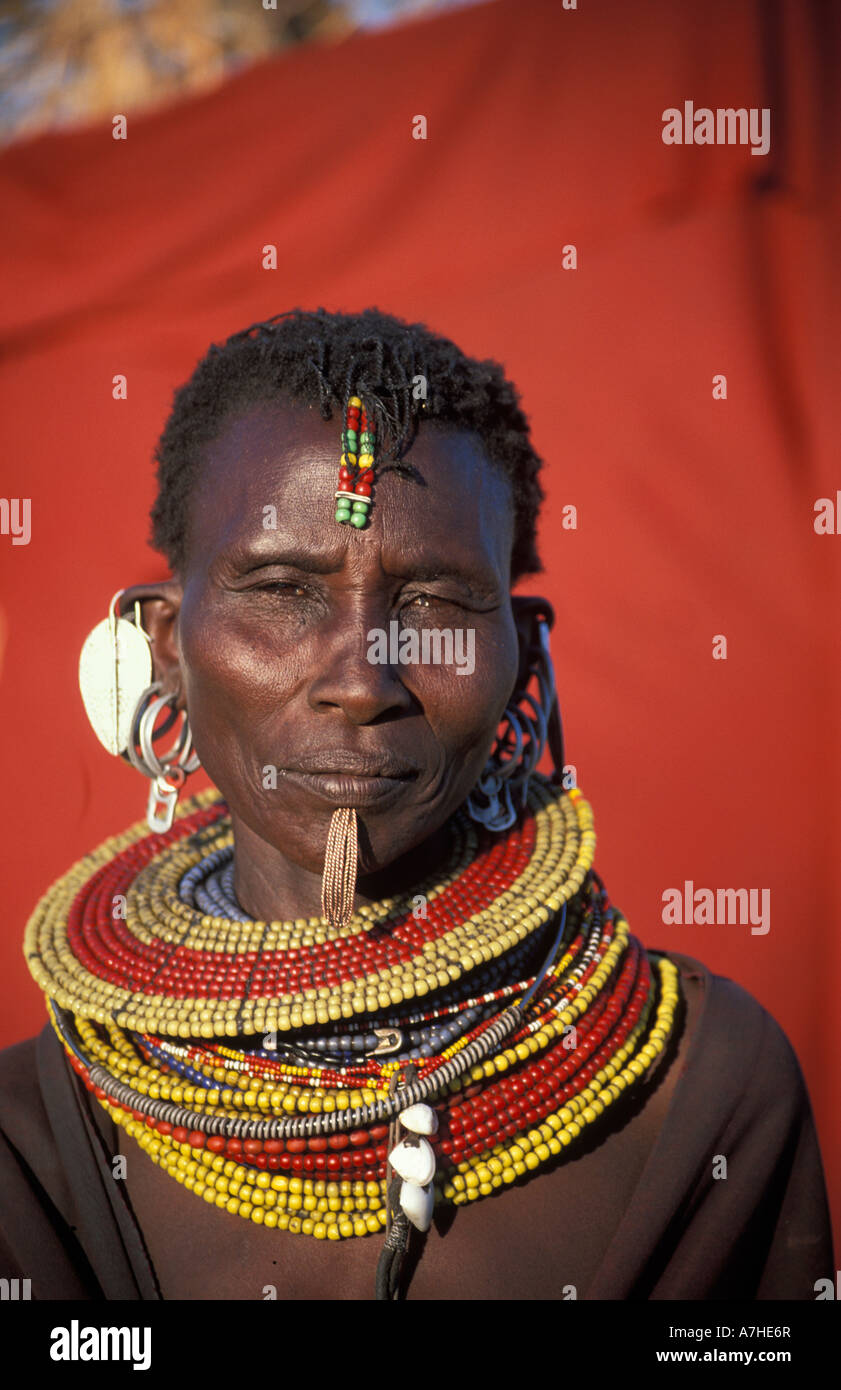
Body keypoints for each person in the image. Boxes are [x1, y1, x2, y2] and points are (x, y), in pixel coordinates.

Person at [0, 308, 833, 1300]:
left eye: (434, 600)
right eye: (279, 587)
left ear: (525, 654)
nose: (362, 680)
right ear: (163, 646)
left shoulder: (698, 1084)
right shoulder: (40, 1138)